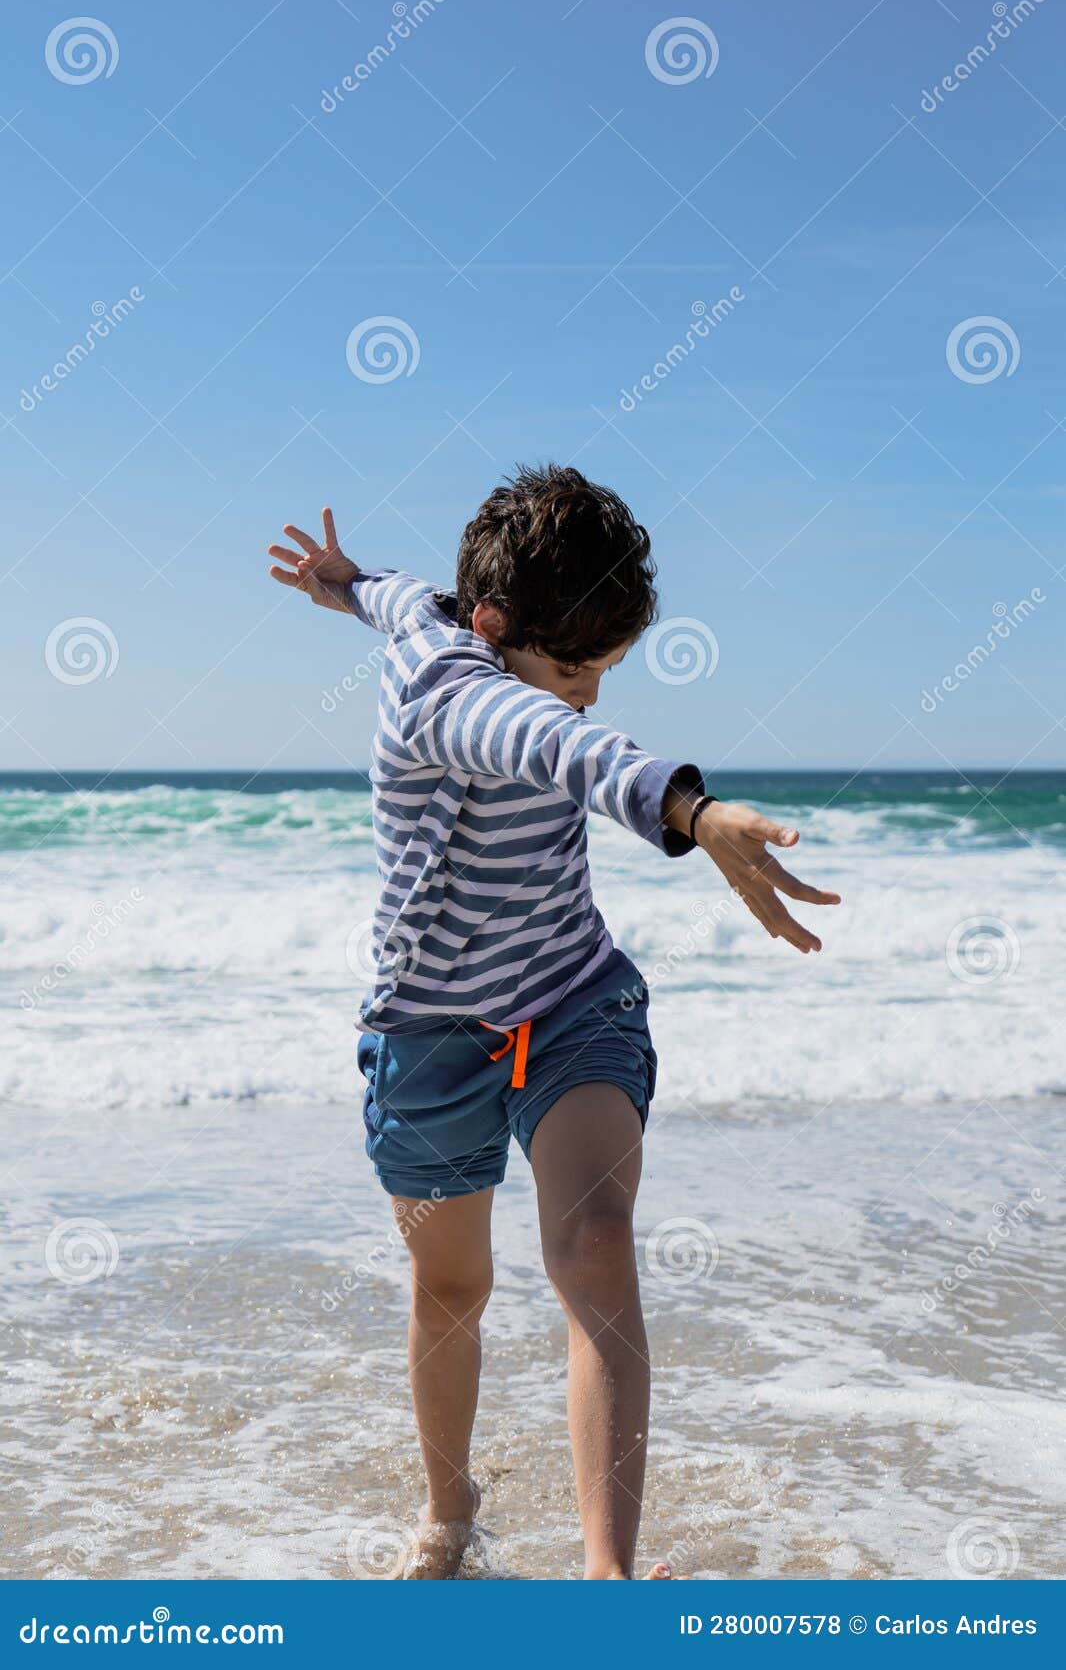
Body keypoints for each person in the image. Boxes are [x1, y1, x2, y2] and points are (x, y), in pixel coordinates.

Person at [267, 464, 839, 1579]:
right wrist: (692, 809)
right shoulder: (463, 699)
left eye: (603, 672)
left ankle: (605, 1578)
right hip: (430, 1035)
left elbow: (395, 592)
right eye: (574, 669)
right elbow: (569, 751)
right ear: (490, 630)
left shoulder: (445, 610)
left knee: (597, 1240)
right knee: (453, 1288)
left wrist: (341, 582)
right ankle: (449, 1509)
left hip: (572, 997)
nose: (584, 695)